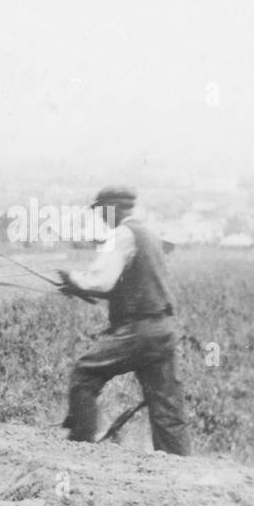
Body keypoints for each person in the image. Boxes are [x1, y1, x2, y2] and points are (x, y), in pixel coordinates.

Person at [58, 185, 191, 455]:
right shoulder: (151, 234)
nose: (101, 218)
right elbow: (132, 282)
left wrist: (74, 281)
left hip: (138, 331)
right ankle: (181, 471)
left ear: (114, 209)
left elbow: (102, 281)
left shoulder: (122, 234)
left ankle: (80, 449)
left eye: (102, 212)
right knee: (167, 407)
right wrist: (82, 287)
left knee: (84, 374)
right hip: (163, 329)